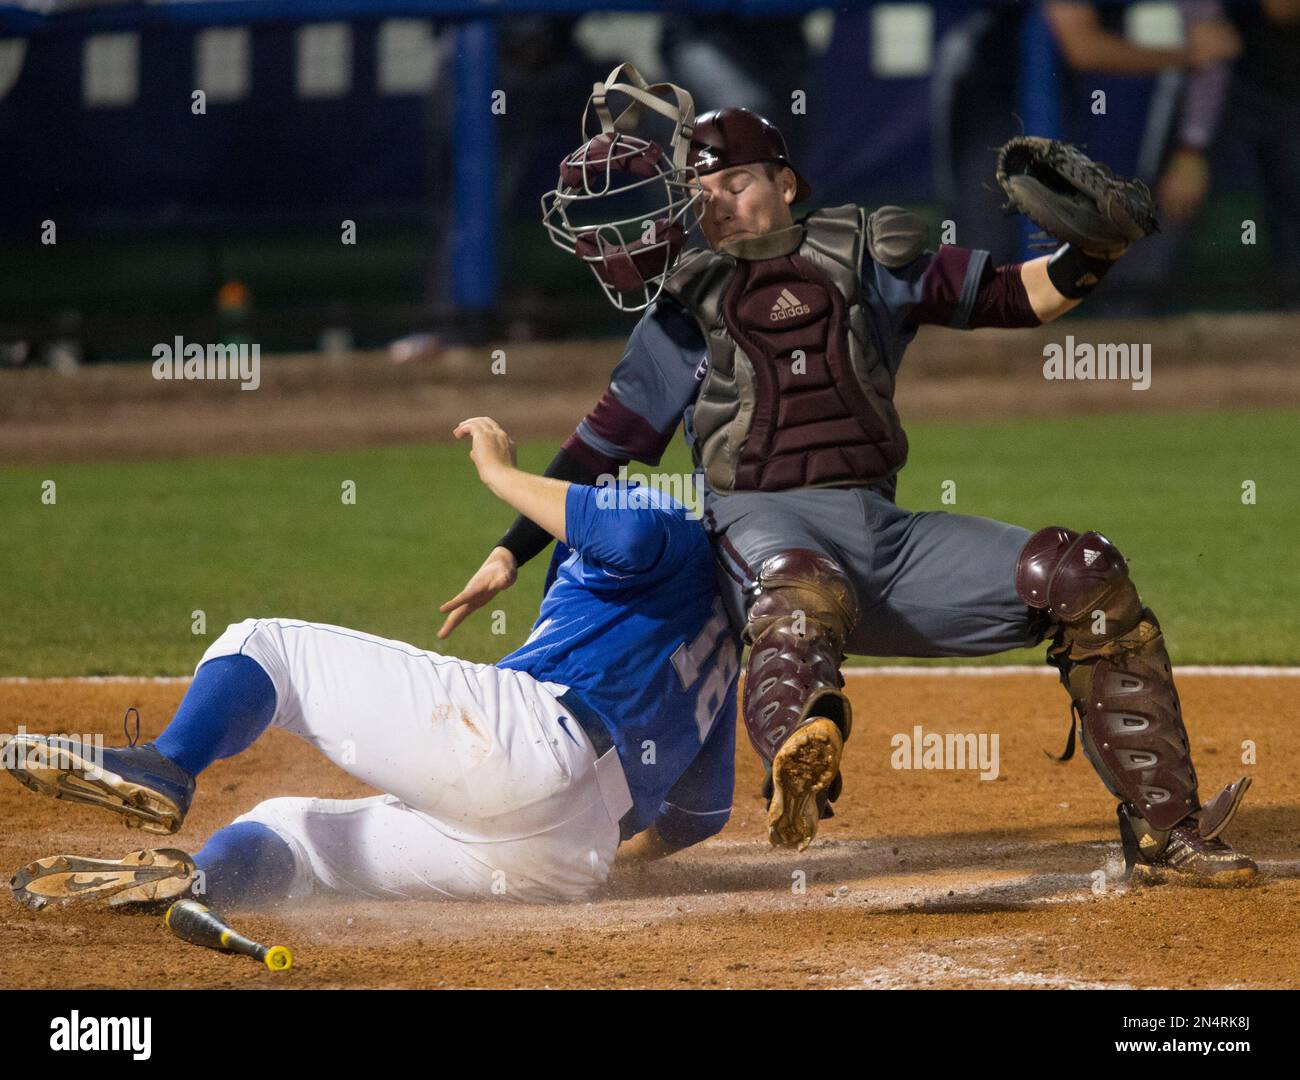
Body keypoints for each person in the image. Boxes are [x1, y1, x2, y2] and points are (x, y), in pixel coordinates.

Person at [441, 103, 1256, 886]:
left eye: (736, 184)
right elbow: (600, 451)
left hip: (881, 532)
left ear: (786, 184)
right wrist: (511, 550)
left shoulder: (868, 252)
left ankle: (1164, 835)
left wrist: (1093, 258)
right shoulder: (686, 310)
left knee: (1084, 575)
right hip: (756, 524)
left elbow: (1018, 296)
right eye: (702, 196)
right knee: (802, 593)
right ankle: (806, 744)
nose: (718, 205)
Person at [4, 418, 739, 911]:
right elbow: (700, 816)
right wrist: (593, 841)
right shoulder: (725, 636)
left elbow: (635, 538)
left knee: (267, 644)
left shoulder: (671, 521)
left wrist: (499, 474)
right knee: (293, 831)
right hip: (564, 859)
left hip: (528, 739)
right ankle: (198, 883)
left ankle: (166, 764)